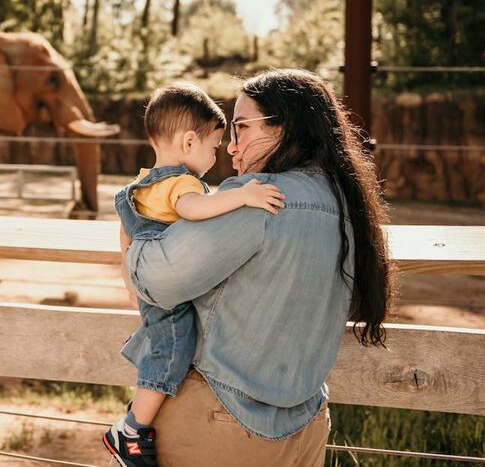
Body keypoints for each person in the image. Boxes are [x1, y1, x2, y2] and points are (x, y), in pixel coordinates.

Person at [119, 69, 394, 467]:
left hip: (223, 426)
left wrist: (132, 228)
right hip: (306, 426)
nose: (231, 147)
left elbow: (155, 280)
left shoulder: (260, 200)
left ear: (285, 128)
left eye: (242, 128)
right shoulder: (345, 204)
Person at [104, 82, 285, 467]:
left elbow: (126, 230)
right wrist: (242, 196)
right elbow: (192, 211)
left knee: (160, 345)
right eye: (213, 147)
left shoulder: (139, 186)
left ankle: (138, 417)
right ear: (188, 143)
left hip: (151, 286)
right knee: (173, 352)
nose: (217, 155)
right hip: (170, 293)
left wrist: (129, 276)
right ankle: (133, 429)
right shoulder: (183, 184)